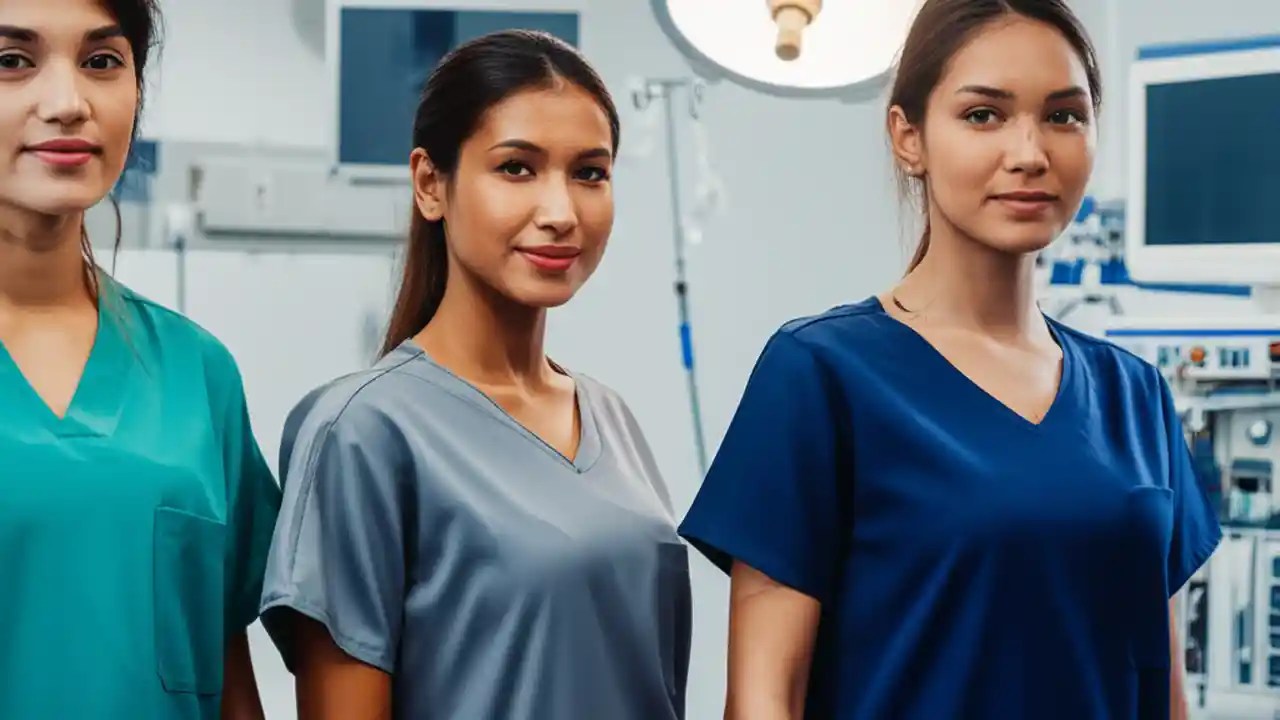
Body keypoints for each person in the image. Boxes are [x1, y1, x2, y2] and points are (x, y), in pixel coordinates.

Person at [678, 1, 1221, 718]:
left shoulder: (1135, 395)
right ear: (909, 137)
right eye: (983, 115)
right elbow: (763, 700)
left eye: (1063, 116)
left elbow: (1165, 695)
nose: (1029, 153)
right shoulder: (819, 375)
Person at [259, 30, 692, 720]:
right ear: (431, 183)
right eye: (517, 168)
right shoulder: (363, 431)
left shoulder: (610, 416)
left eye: (590, 173)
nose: (561, 213)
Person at [0, 0, 282, 718]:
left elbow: (224, 671)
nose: (67, 103)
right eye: (12, 61)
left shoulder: (197, 374)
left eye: (102, 62)